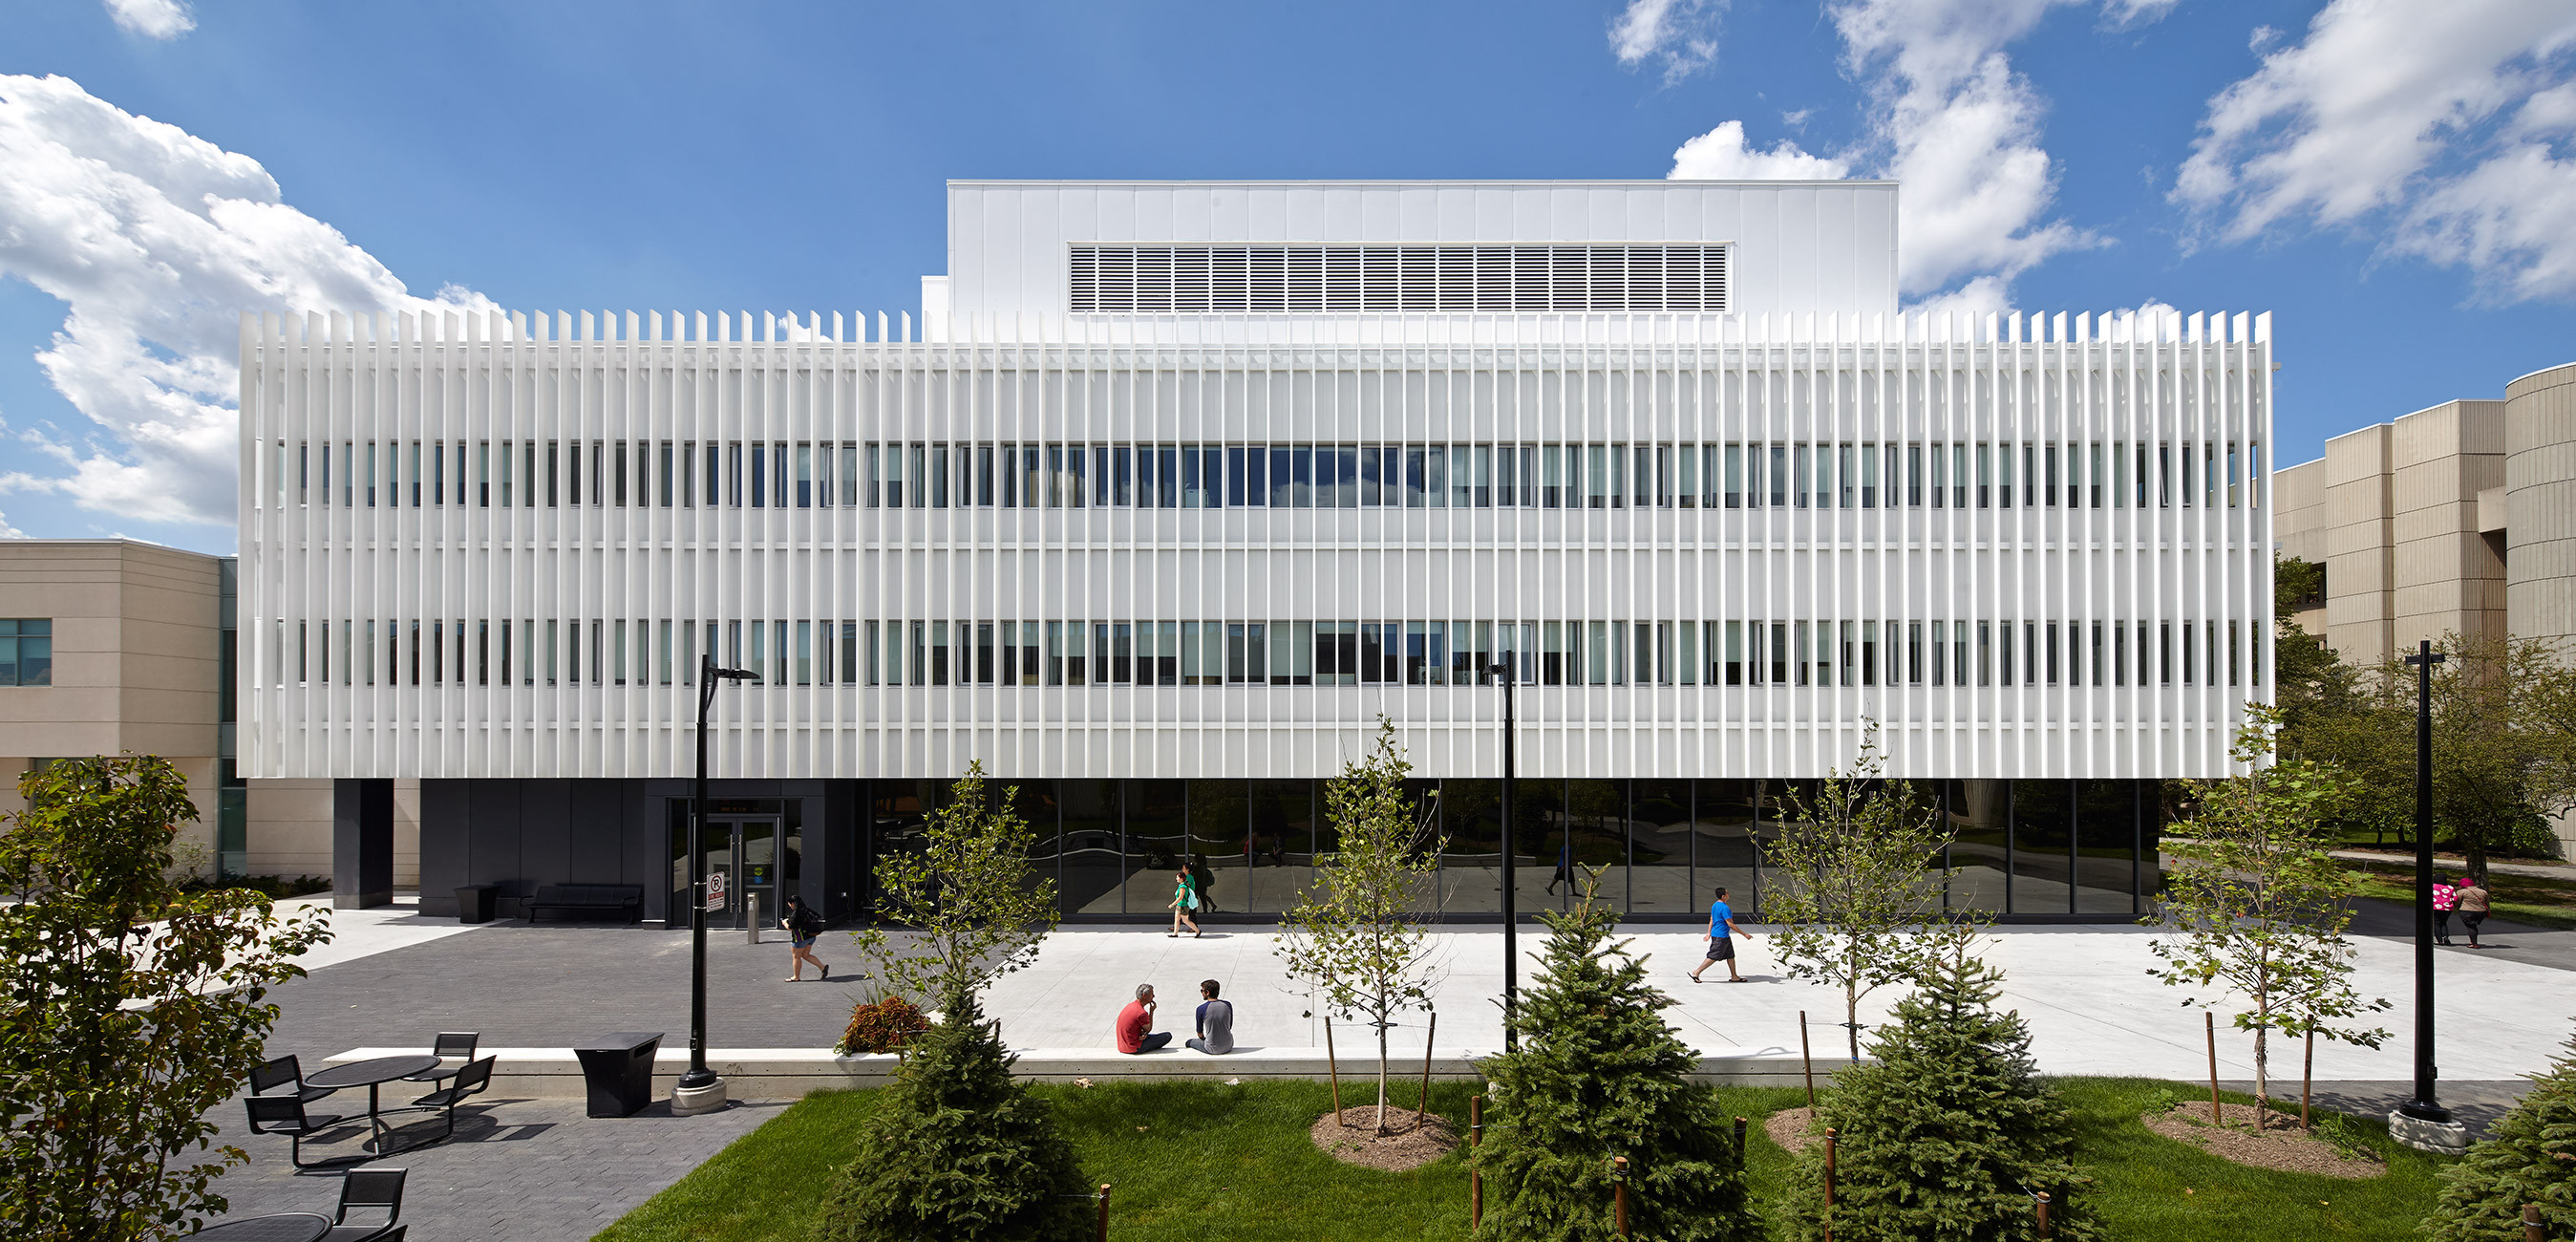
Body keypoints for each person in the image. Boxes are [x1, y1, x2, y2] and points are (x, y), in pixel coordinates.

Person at [1689, 886, 1755, 983]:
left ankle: (1734, 976)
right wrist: (1744, 934)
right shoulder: (1724, 908)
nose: (1729, 894)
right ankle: (1697, 972)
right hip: (1721, 936)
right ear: (1723, 896)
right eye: (1727, 893)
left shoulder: (1715, 905)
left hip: (1721, 936)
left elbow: (1712, 919)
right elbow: (1731, 924)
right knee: (1713, 956)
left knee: (1730, 956)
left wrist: (1709, 932)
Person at [780, 894, 829, 982]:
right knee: (806, 955)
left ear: (792, 904)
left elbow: (791, 927)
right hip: (811, 936)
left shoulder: (796, 913)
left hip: (800, 938)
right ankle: (822, 967)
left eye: (789, 904)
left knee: (796, 957)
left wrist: (784, 923)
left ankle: (796, 977)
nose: (790, 906)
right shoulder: (806, 910)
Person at [1117, 983, 1170, 1054]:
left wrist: (1143, 1033)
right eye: (1151, 994)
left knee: (1154, 1037)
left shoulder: (1130, 1006)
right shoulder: (1141, 1013)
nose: (1153, 996)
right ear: (1144, 995)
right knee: (1167, 1036)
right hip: (1133, 1047)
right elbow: (1148, 1029)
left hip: (1122, 1046)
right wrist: (1151, 1011)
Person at [1186, 978, 1235, 1055]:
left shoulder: (1201, 1009)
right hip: (1229, 1045)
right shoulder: (1228, 1005)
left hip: (1212, 1048)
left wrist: (1205, 1039)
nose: (1201, 993)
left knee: (1188, 1042)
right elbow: (1229, 1026)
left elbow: (1200, 1034)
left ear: (1207, 992)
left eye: (1202, 991)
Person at [2455, 873, 2491, 949]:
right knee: (2474, 926)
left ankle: (2474, 943)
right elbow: (2487, 903)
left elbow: (2457, 902)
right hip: (2481, 912)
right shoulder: (2483, 892)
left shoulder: (2462, 892)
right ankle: (2473, 941)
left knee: (2471, 927)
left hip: (2467, 911)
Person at [1168, 868, 1202, 937]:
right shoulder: (1182, 885)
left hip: (1183, 906)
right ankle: (1175, 934)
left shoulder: (1183, 887)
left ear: (1181, 878)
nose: (1176, 879)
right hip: (1180, 905)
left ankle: (1197, 931)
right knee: (1177, 919)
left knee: (1186, 921)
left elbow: (1180, 898)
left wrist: (1172, 904)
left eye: (1177, 877)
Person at [2432, 875, 2458, 946]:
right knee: (2443, 922)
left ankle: (2439, 940)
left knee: (2437, 923)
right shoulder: (2450, 887)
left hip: (2436, 907)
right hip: (2448, 908)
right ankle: (2445, 936)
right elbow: (2455, 898)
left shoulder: (2433, 886)